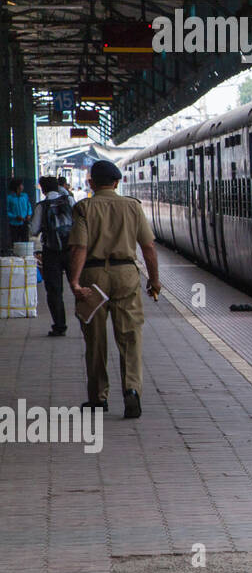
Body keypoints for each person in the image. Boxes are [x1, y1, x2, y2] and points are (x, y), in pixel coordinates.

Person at [67, 160, 162, 418]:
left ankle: (98, 398)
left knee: (95, 339)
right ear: (117, 182)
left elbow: (79, 248)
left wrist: (75, 282)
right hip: (126, 275)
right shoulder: (132, 207)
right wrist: (154, 280)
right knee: (130, 336)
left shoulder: (84, 208)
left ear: (91, 183)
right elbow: (148, 248)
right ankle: (132, 391)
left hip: (93, 277)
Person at [30, 176, 75, 336]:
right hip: (72, 251)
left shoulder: (41, 206)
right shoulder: (69, 201)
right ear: (57, 187)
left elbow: (34, 231)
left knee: (55, 291)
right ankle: (86, 322)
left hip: (51, 252)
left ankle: (59, 326)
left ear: (43, 189)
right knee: (77, 287)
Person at [6, 178, 32, 244]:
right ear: (17, 187)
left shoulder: (25, 196)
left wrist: (29, 214)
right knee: (15, 241)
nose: (22, 186)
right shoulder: (9, 198)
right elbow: (7, 211)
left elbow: (29, 206)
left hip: (24, 222)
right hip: (14, 224)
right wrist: (15, 217)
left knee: (25, 240)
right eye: (21, 185)